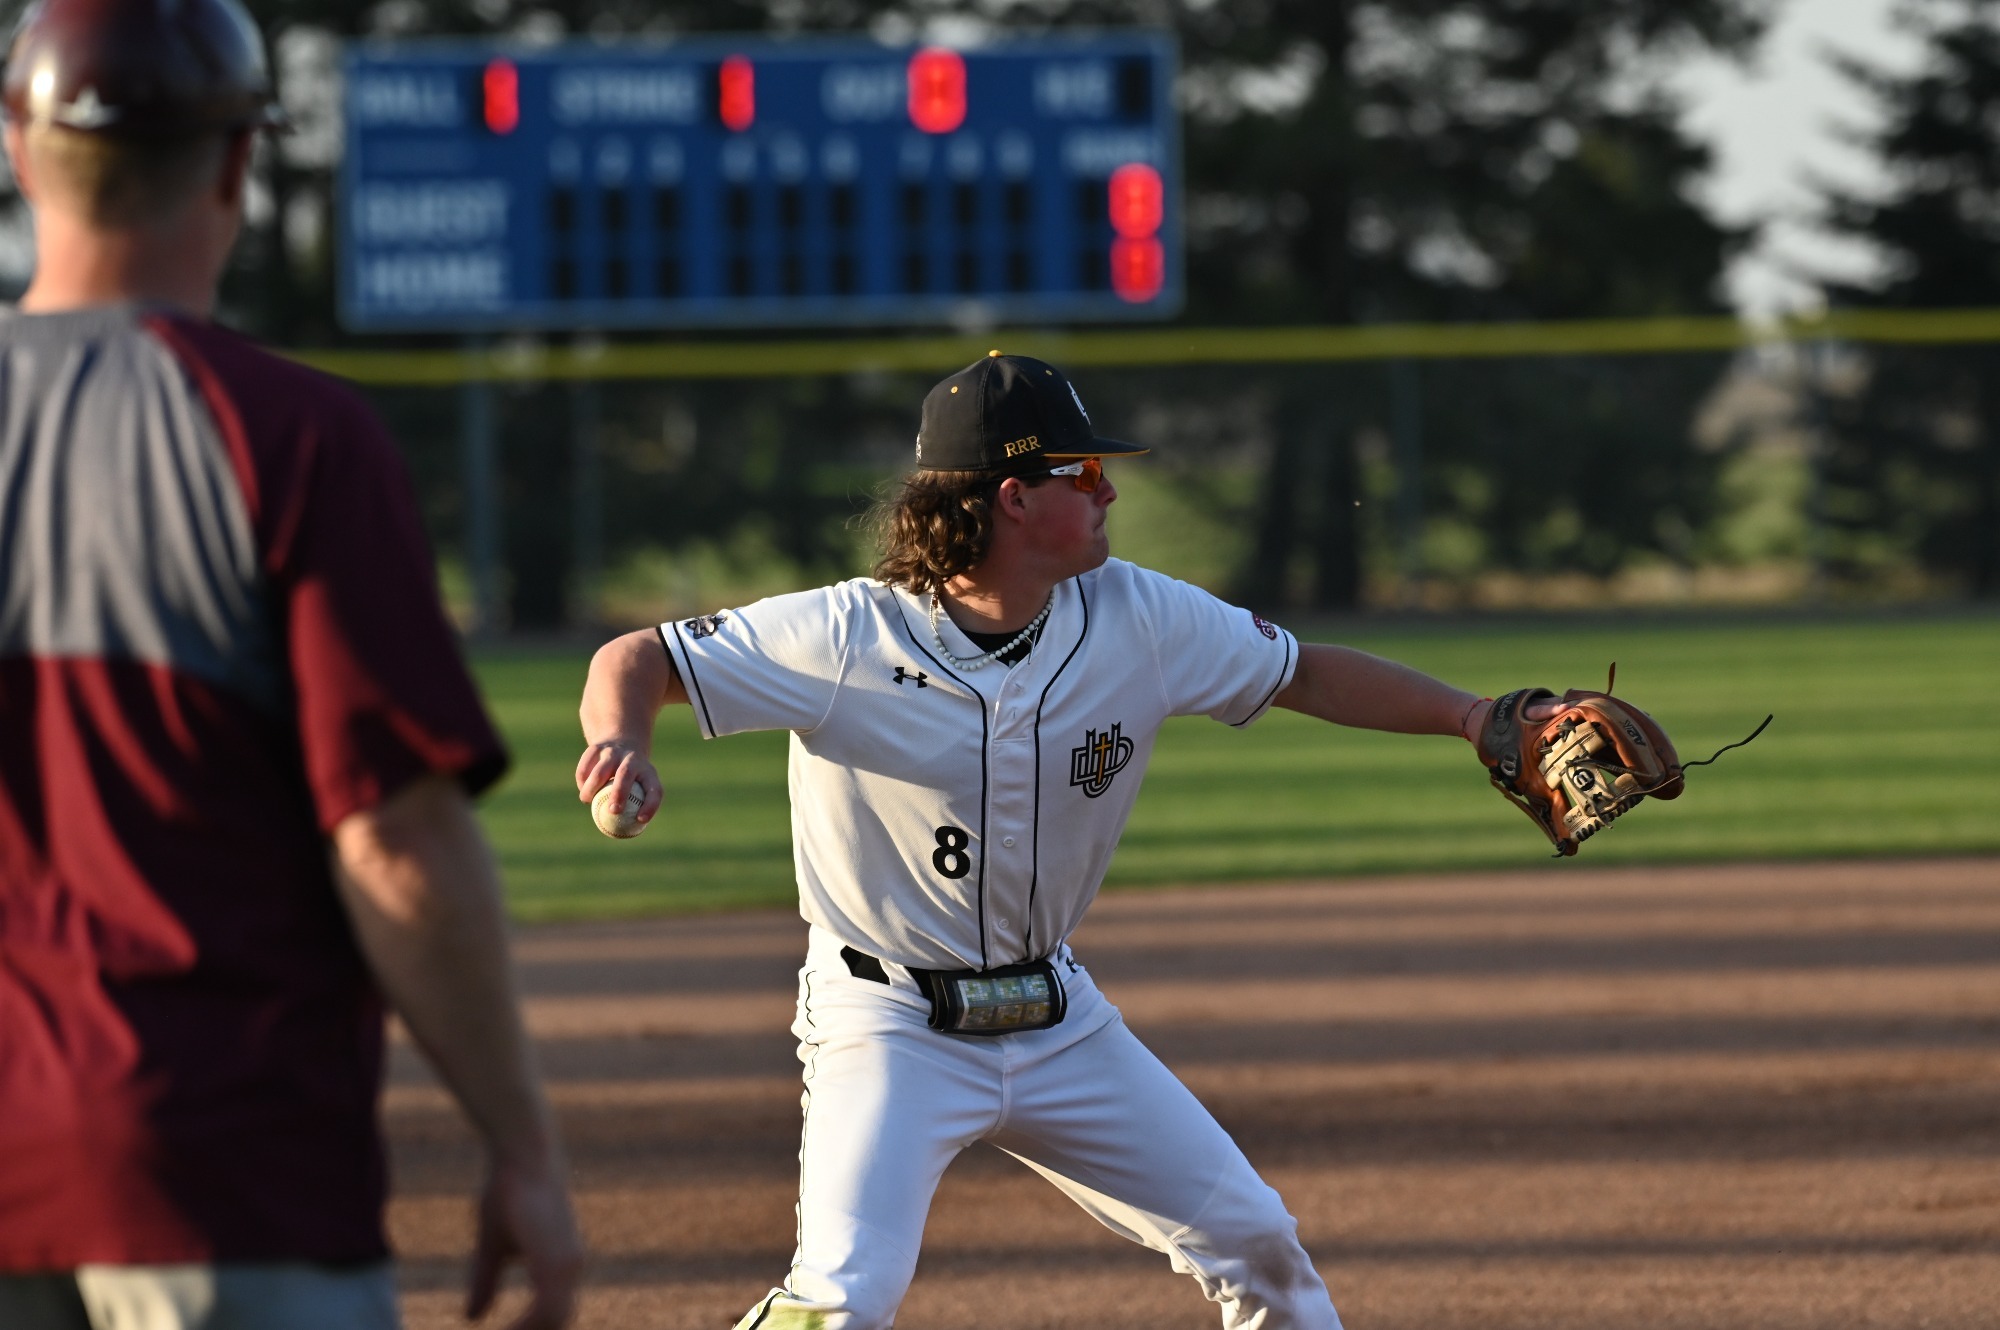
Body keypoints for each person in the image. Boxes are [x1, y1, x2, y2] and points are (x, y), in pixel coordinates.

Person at [578, 350, 1549, 1328]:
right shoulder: (845, 637)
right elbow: (637, 656)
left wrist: (1476, 719)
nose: (1108, 488)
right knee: (840, 1301)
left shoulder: (1140, 615)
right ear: (1010, 496)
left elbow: (1301, 672)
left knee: (1261, 1249)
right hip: (888, 1024)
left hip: (1059, 1020)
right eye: (1081, 474)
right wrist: (618, 739)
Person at [0, 2, 583, 1327]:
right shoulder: (287, 434)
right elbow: (395, 841)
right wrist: (523, 1143)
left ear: (20, 153)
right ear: (233, 166)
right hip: (218, 1166)